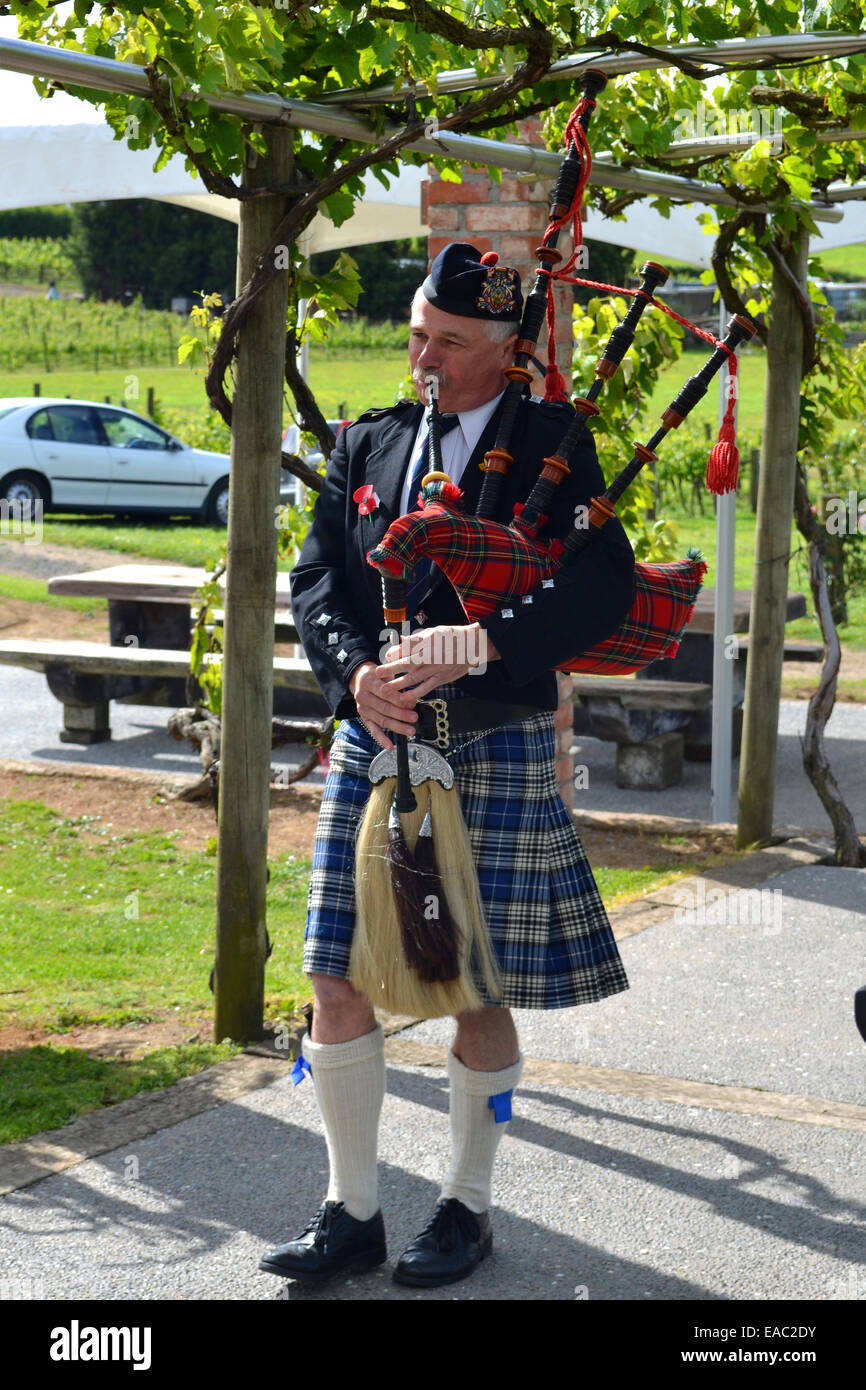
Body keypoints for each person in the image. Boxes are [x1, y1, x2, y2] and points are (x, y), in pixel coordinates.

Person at [261, 242, 636, 1290]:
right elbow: (316, 580)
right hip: (375, 739)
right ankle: (351, 1211)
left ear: (505, 350)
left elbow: (599, 585)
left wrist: (491, 642)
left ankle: (465, 1208)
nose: (423, 354)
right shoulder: (367, 440)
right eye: (419, 329)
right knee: (331, 976)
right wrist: (354, 679)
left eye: (451, 343)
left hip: (493, 738)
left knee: (476, 987)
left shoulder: (558, 443)